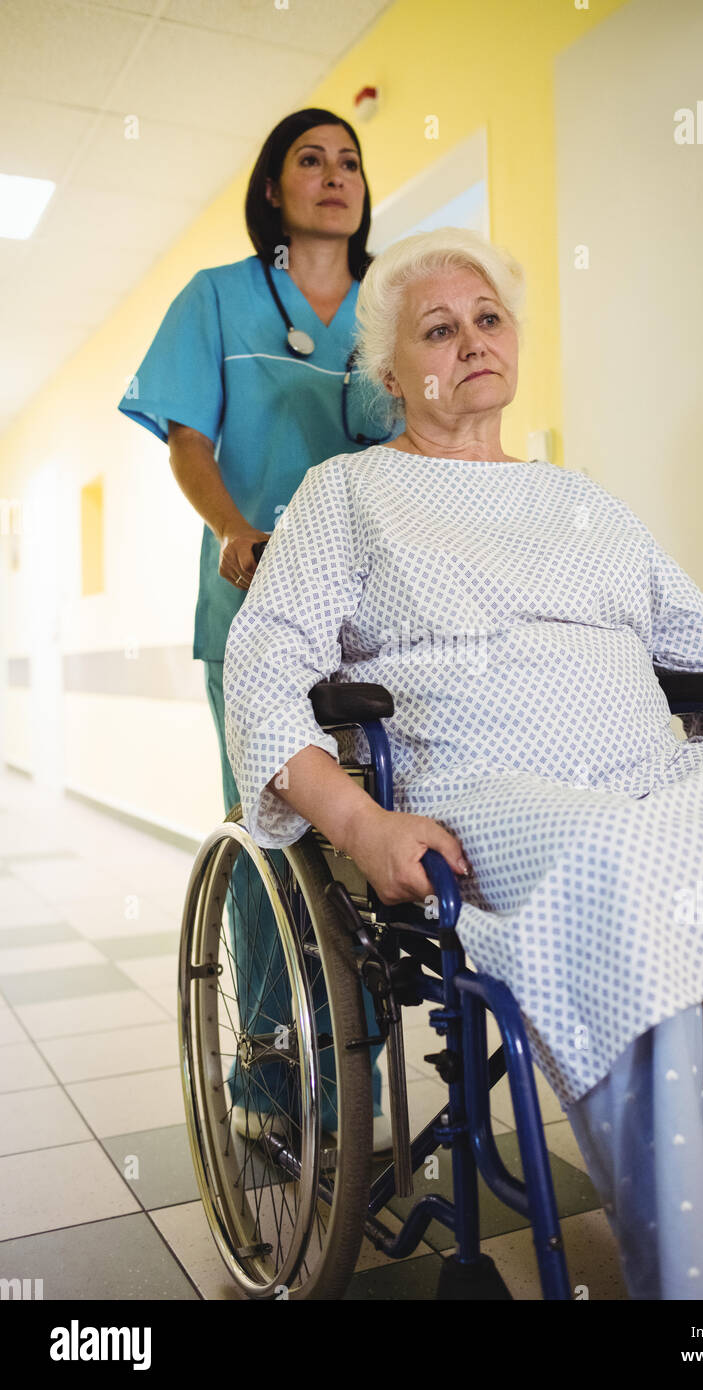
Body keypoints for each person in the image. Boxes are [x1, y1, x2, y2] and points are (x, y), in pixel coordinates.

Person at [221, 226, 703, 1300]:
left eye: (487, 319)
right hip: (488, 798)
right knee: (616, 865)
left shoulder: (585, 500)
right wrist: (362, 824)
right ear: (391, 374)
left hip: (648, 783)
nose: (471, 340)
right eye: (439, 329)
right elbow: (262, 670)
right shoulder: (349, 494)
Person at [117, 107, 397, 1146]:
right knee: (276, 830)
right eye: (309, 160)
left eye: (350, 161)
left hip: (368, 615)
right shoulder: (218, 298)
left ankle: (355, 1055)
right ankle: (268, 1065)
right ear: (273, 190)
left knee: (367, 827)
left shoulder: (385, 309)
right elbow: (188, 439)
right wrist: (234, 528)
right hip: (259, 597)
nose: (333, 176)